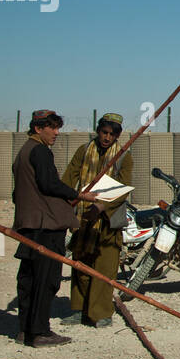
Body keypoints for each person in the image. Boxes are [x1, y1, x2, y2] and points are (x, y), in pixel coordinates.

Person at [12, 110, 97, 347]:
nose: (57, 133)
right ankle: (40, 332)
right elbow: (49, 184)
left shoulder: (24, 152)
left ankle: (25, 329)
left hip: (30, 224)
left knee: (28, 278)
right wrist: (80, 195)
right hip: (46, 226)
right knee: (46, 279)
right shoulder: (39, 151)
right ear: (38, 128)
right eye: (52, 128)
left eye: (58, 128)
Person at [63, 113, 133, 327]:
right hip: (83, 216)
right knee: (81, 264)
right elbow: (69, 178)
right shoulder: (84, 151)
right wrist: (68, 202)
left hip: (108, 220)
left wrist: (101, 206)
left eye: (112, 134)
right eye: (104, 132)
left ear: (117, 136)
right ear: (98, 131)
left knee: (105, 267)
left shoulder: (123, 156)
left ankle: (101, 312)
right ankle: (78, 309)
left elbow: (123, 188)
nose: (106, 137)